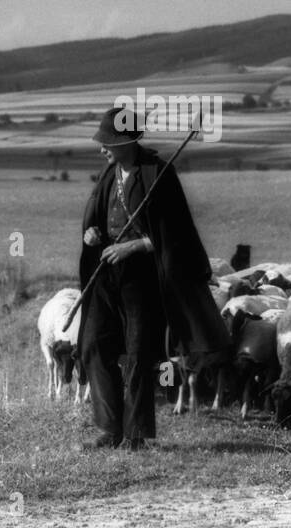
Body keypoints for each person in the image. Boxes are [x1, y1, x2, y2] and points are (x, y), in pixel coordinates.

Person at [76, 105, 230, 450]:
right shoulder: (108, 175)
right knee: (93, 345)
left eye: (108, 143)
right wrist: (92, 234)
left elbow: (177, 235)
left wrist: (134, 246)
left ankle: (135, 434)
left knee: (137, 353)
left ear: (128, 142)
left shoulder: (158, 174)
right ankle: (108, 427)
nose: (102, 149)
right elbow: (97, 220)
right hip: (105, 275)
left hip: (143, 280)